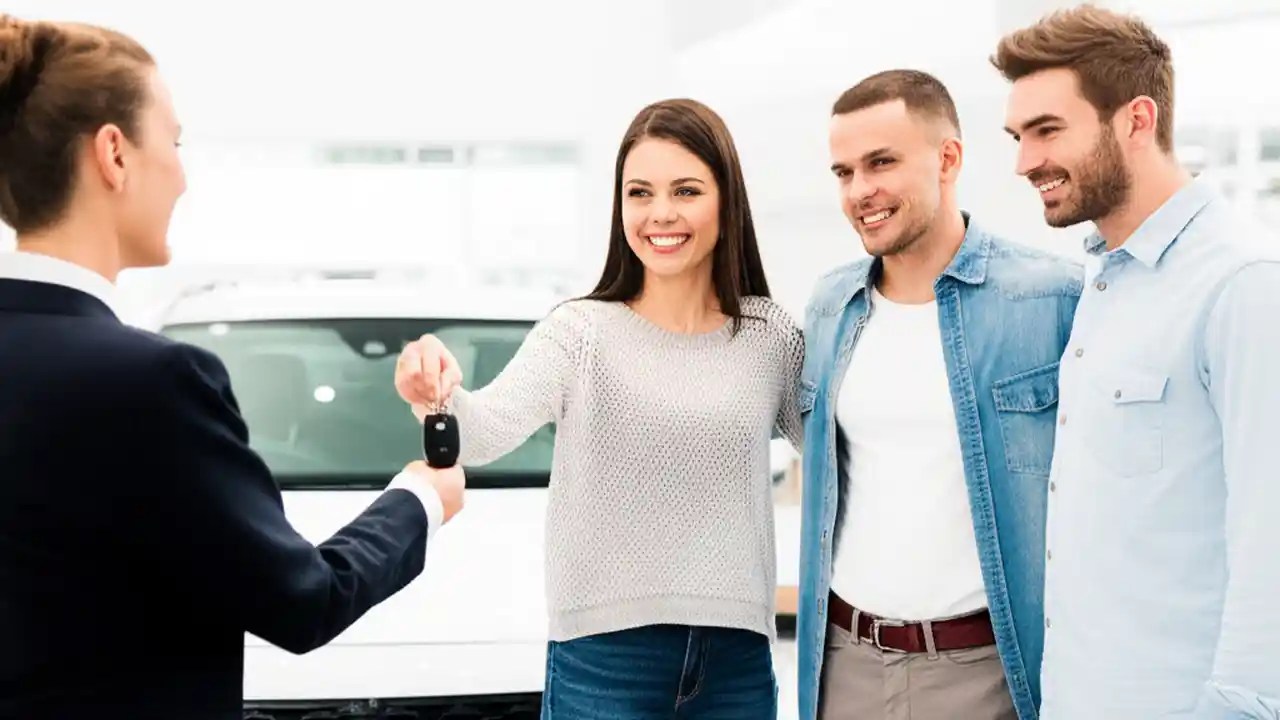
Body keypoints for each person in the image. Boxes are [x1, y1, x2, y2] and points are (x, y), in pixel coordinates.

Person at [0, 15, 465, 720]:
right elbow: (304, 599)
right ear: (114, 155)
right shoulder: (148, 382)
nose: (184, 177)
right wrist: (422, 496)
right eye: (176, 143)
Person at [394, 97, 804, 718]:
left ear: (727, 200)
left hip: (736, 659)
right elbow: (480, 436)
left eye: (686, 191)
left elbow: (841, 457)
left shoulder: (770, 338)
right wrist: (435, 390)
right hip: (604, 658)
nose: (660, 213)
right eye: (639, 193)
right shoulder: (579, 333)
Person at [992, 5, 1280, 718]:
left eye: (1048, 130)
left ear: (1136, 120)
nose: (1025, 161)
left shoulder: (1242, 286)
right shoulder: (1102, 282)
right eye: (1018, 136)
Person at [793, 69, 1082, 720]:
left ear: (948, 158)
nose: (861, 191)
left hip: (991, 673)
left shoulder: (1054, 299)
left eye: (881, 163)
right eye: (844, 172)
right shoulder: (829, 305)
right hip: (845, 666)